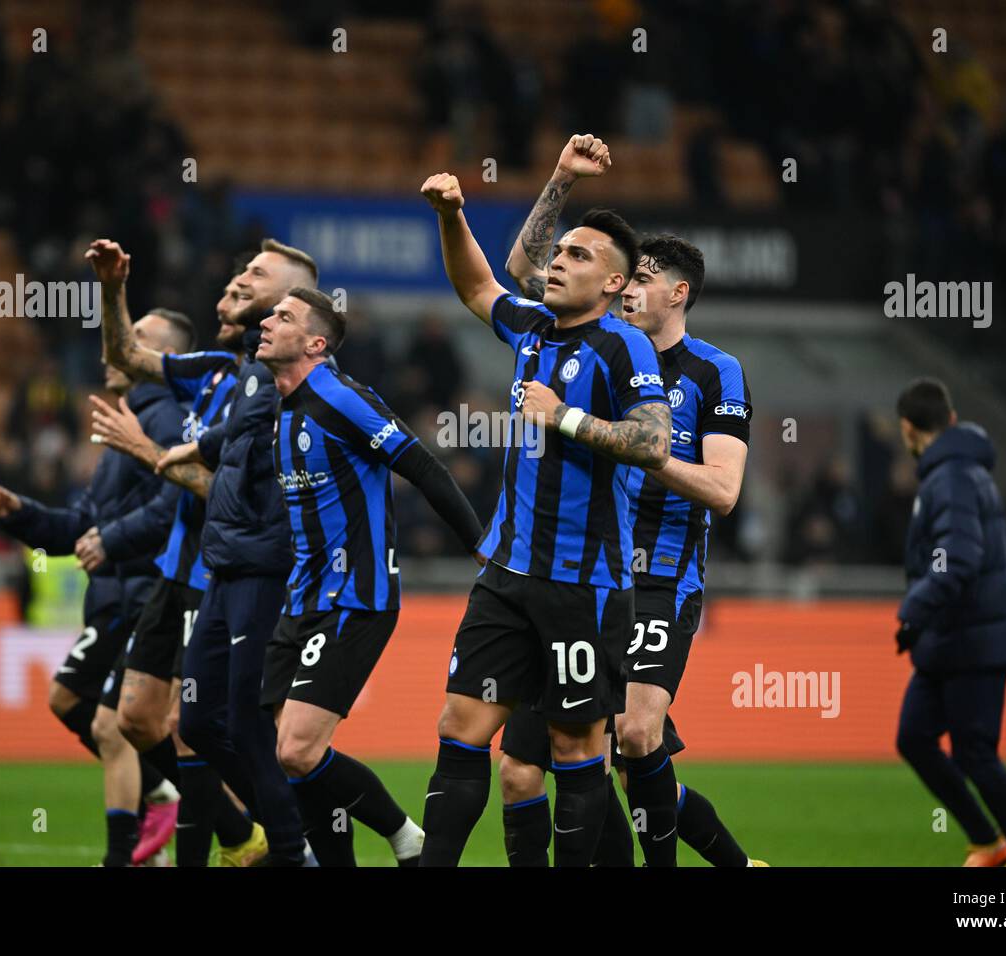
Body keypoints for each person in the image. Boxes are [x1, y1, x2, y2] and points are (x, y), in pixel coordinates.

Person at [496, 134, 761, 867]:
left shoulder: (714, 372)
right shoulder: (599, 344)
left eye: (641, 278)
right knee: (585, 752)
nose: (626, 287)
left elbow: (725, 490)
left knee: (636, 737)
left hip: (661, 577)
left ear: (677, 294)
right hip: (582, 575)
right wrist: (560, 182)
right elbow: (520, 268)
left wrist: (634, 444)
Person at [416, 169, 670, 866]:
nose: (559, 261)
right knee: (459, 728)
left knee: (574, 748)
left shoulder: (624, 347)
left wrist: (568, 418)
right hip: (506, 576)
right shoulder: (530, 328)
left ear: (616, 284)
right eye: (559, 253)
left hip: (582, 587)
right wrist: (451, 213)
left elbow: (654, 442)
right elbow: (476, 286)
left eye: (580, 256)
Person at [92, 237, 318, 867]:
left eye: (254, 274)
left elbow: (238, 494)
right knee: (136, 719)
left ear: (291, 299)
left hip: (232, 574)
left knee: (207, 731)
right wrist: (113, 287)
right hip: (179, 565)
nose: (237, 281)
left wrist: (147, 452)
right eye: (239, 271)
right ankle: (258, 830)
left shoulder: (289, 392)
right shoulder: (222, 371)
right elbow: (127, 356)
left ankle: (269, 839)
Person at [255, 287, 484, 865]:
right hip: (301, 599)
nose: (266, 321)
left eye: (282, 316)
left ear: (315, 342)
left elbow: (423, 464)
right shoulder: (282, 407)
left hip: (355, 595)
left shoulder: (342, 397)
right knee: (299, 761)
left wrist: (479, 541)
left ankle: (407, 837)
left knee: (298, 751)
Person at [0, 308, 191, 867]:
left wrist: (114, 538)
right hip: (115, 597)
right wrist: (22, 515)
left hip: (147, 595)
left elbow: (176, 505)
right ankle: (174, 803)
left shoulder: (166, 417)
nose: (118, 345)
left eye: (138, 338)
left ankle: (138, 846)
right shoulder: (125, 421)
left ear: (163, 359)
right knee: (90, 711)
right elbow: (81, 526)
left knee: (111, 723)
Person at [893, 379, 1006, 867]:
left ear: (908, 429)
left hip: (972, 638)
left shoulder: (951, 477)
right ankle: (988, 839)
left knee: (975, 752)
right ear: (952, 420)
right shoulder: (964, 473)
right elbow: (986, 551)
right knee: (915, 738)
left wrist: (913, 608)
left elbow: (954, 559)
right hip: (952, 637)